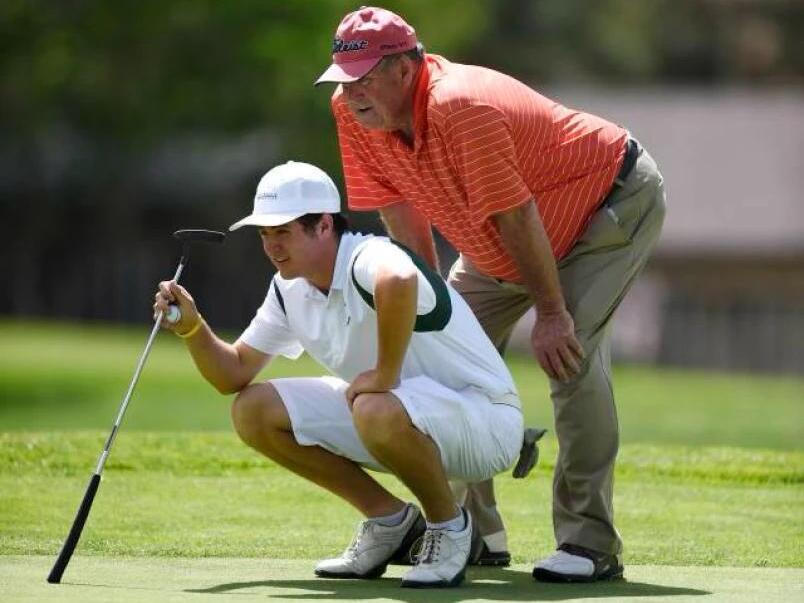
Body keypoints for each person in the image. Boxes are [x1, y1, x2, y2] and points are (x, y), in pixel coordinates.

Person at [315, 6, 667, 582]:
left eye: (365, 78)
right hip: (502, 237)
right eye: (343, 80)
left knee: (568, 359)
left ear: (407, 69)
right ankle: (476, 531)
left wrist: (552, 313)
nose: (352, 93)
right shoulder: (353, 114)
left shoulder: (461, 105)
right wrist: (431, 310)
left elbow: (517, 214)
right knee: (443, 362)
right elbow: (398, 206)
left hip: (606, 205)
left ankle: (590, 543)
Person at [153, 160, 525, 588]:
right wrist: (192, 328)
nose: (272, 246)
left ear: (324, 226)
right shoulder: (288, 287)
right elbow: (232, 374)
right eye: (265, 235)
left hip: (485, 421)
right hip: (398, 417)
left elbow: (401, 277)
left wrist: (383, 374)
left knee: (373, 404)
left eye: (283, 232)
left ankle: (448, 527)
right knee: (252, 410)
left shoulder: (367, 255)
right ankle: (390, 521)